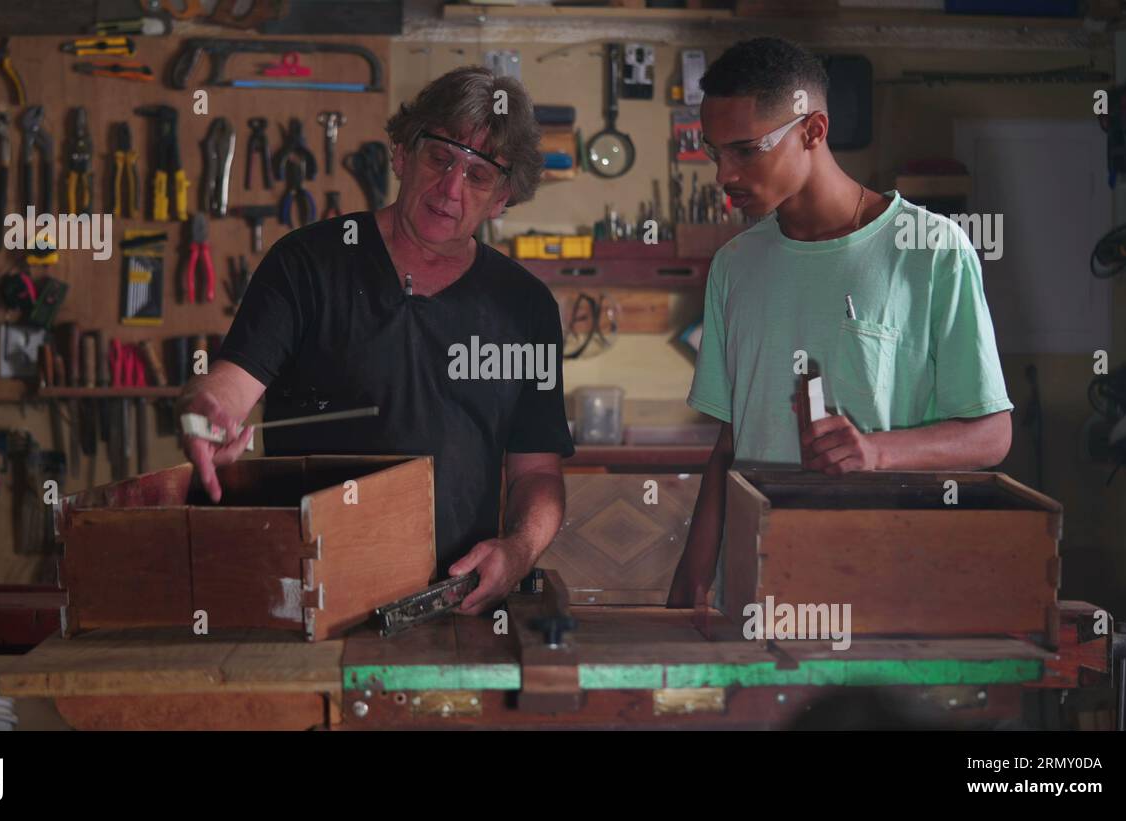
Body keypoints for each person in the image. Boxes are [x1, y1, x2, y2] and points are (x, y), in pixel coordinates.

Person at [178, 67, 574, 616]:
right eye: (440, 158)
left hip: (452, 603)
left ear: (503, 197)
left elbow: (537, 472)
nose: (451, 188)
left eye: (479, 174)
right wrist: (207, 413)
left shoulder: (525, 307)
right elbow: (231, 384)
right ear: (402, 153)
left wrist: (519, 550)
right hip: (306, 597)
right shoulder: (308, 264)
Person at [668, 38, 1013, 607]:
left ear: (813, 130)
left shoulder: (929, 248)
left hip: (886, 585)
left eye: (746, 150)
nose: (724, 174)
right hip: (757, 593)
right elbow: (730, 445)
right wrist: (692, 579)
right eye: (714, 152)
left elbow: (991, 435)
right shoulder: (735, 264)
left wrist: (876, 452)